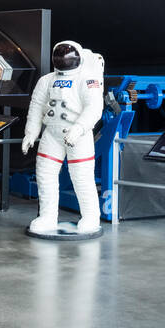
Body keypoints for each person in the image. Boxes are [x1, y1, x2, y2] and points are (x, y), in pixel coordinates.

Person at [22, 40, 105, 234]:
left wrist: (79, 128)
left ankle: (91, 217)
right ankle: (47, 217)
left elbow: (94, 108)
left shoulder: (87, 79)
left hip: (78, 134)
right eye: (59, 56)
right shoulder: (47, 80)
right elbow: (36, 107)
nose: (64, 59)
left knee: (82, 178)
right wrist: (31, 133)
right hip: (52, 133)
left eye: (68, 56)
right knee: (45, 175)